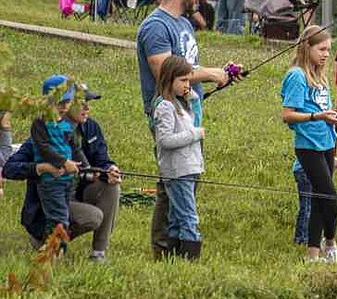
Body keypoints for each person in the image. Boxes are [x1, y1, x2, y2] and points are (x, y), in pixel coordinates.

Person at [136, 0, 234, 260]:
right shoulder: (156, 27)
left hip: (191, 111)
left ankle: (176, 250)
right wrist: (210, 74)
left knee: (187, 179)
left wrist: (220, 75)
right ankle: (166, 249)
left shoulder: (185, 25)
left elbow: (189, 68)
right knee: (173, 181)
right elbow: (164, 70)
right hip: (170, 114)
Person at [3, 82, 122, 260]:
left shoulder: (91, 128)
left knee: (111, 187)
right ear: (64, 105)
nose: (87, 108)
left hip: (74, 193)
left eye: (88, 103)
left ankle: (99, 252)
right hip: (50, 201)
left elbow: (101, 161)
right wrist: (40, 168)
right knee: (94, 217)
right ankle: (46, 242)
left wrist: (109, 169)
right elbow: (10, 168)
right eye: (82, 103)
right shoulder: (46, 131)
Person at [280, 26, 337, 263]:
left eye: (329, 49)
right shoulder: (297, 76)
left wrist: (333, 118)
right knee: (331, 200)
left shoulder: (320, 75)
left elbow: (322, 108)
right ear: (307, 48)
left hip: (327, 142)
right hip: (308, 146)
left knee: (319, 198)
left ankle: (312, 253)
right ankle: (331, 244)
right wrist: (317, 117)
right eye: (321, 49)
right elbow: (288, 115)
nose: (326, 54)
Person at [151, 56, 205, 260]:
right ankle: (190, 259)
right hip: (178, 171)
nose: (187, 85)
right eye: (182, 80)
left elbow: (195, 122)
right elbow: (165, 140)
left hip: (189, 168)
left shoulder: (181, 106)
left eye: (189, 81)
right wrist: (195, 135)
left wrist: (195, 100)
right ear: (169, 80)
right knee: (188, 216)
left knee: (175, 217)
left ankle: (172, 255)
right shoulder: (165, 107)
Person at [29, 75, 86, 246]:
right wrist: (63, 162)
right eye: (59, 103)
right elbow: (44, 149)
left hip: (67, 180)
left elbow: (75, 148)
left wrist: (87, 167)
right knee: (58, 219)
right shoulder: (40, 123)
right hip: (50, 180)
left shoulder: (67, 124)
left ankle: (49, 249)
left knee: (63, 216)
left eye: (66, 103)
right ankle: (53, 253)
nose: (63, 107)